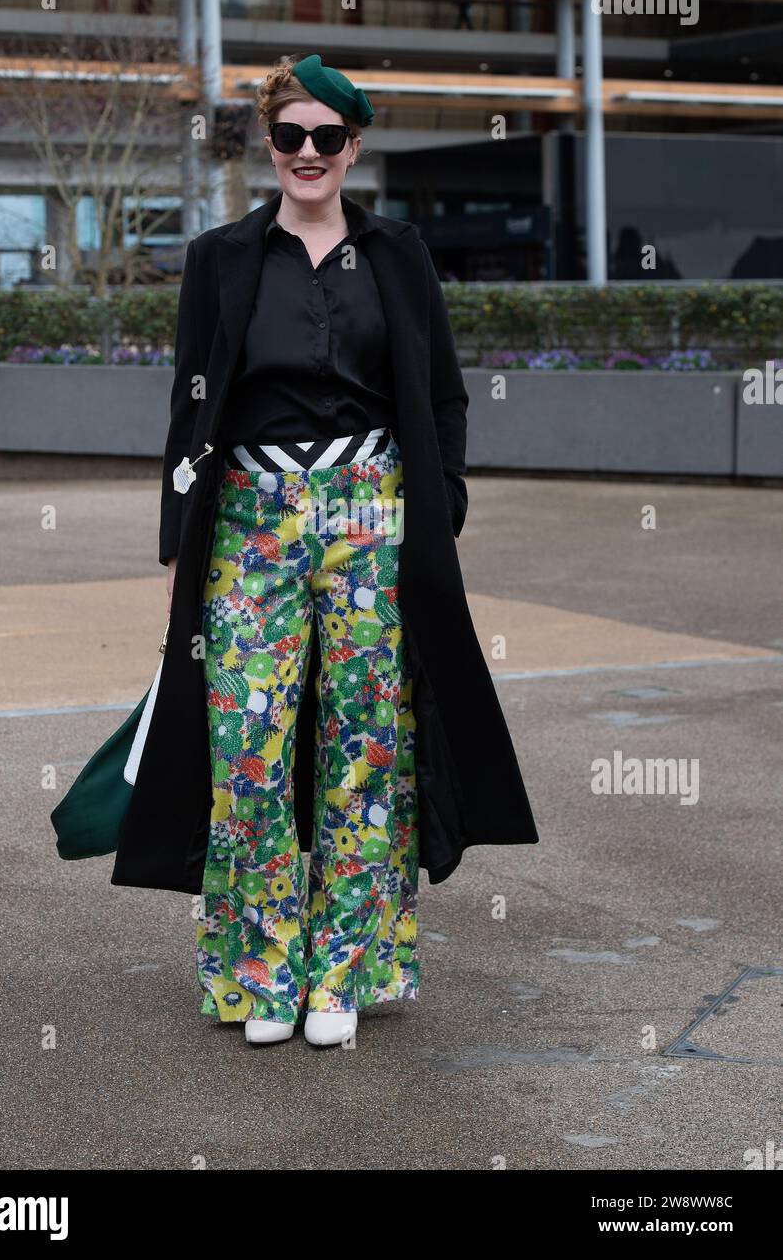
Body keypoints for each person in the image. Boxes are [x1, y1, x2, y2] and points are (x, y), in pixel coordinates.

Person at [112, 53, 539, 1050]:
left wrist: (443, 505)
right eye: (290, 136)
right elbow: (189, 399)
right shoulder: (222, 257)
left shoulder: (397, 254)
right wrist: (180, 533)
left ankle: (345, 971)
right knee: (248, 745)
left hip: (366, 507)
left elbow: (440, 394)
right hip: (250, 513)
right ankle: (261, 972)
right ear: (268, 145)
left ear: (353, 146)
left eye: (328, 138)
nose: (308, 155)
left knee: (364, 746)